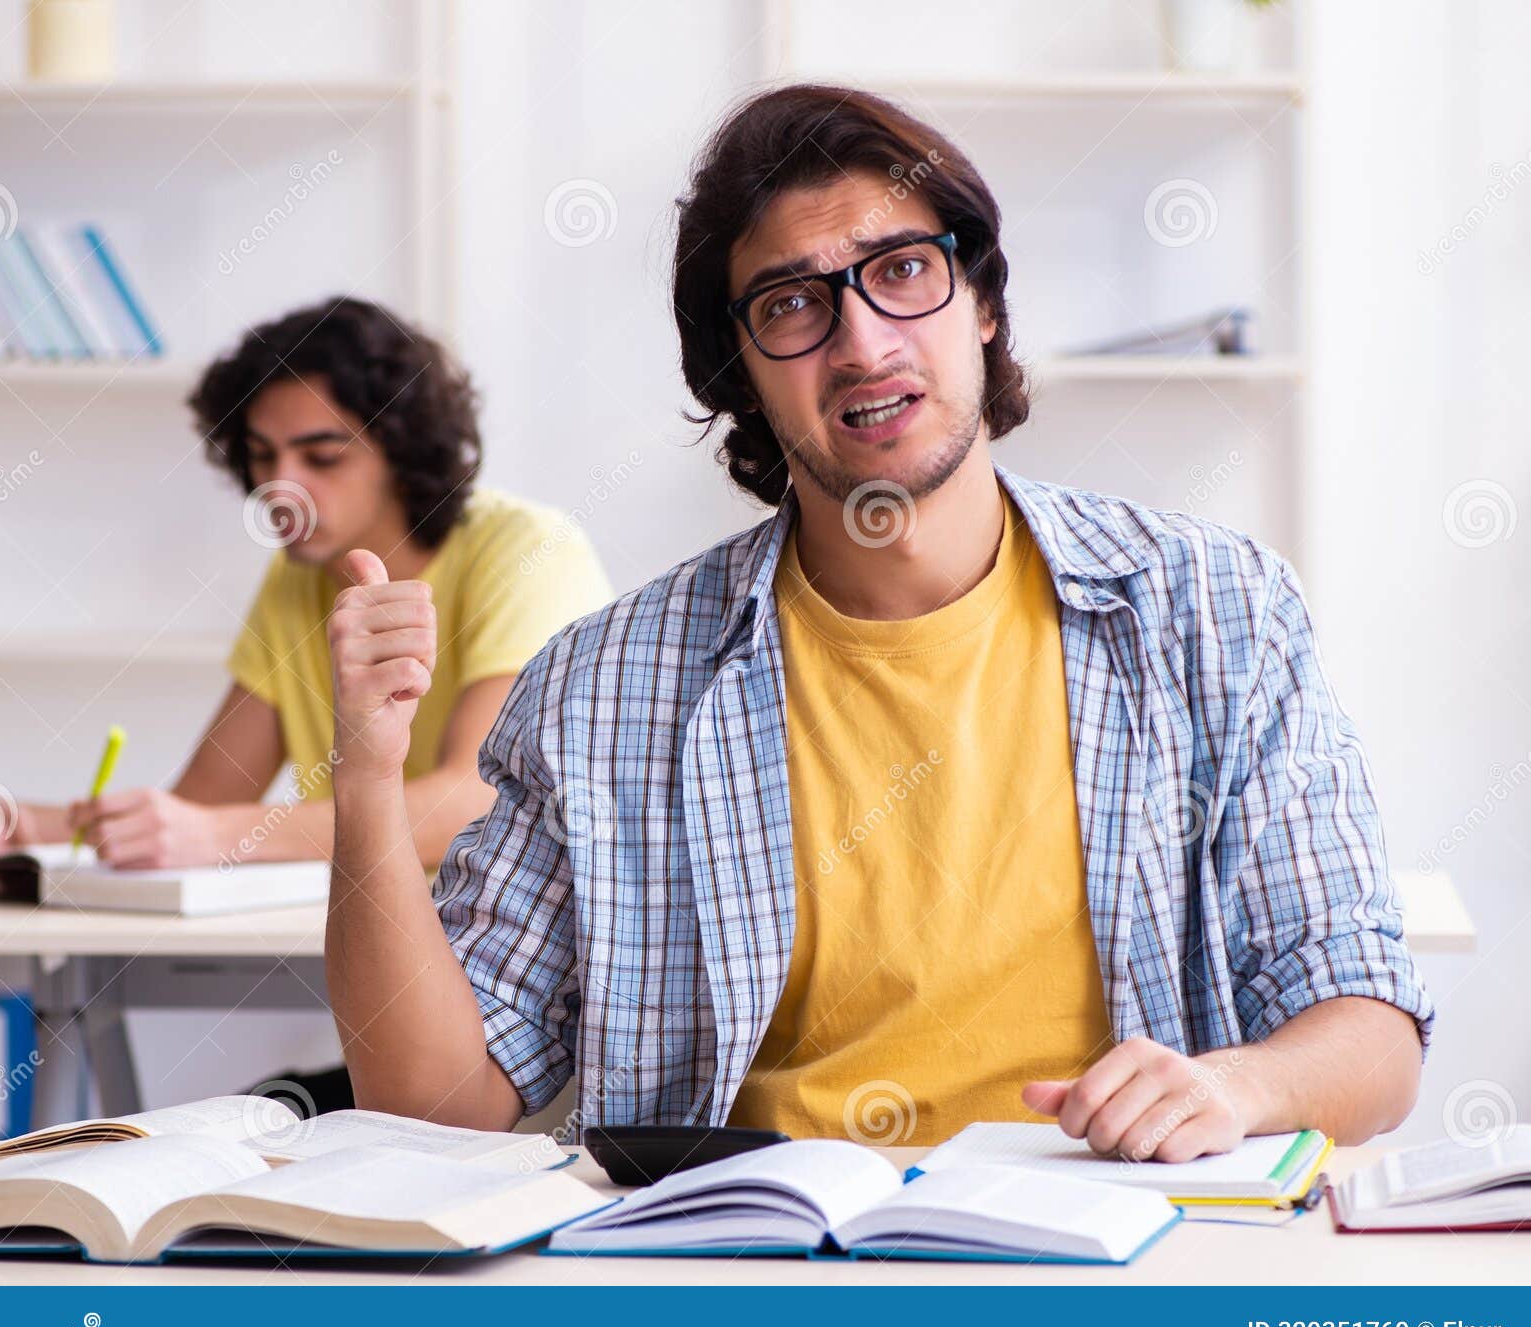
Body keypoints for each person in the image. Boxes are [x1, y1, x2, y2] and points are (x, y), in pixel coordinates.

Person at [325, 87, 1432, 1160]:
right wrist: (368, 782)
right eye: (793, 304)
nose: (860, 342)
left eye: (902, 270)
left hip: (1121, 1259)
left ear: (984, 304)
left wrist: (1238, 1085)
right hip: (752, 1274)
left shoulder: (1212, 609)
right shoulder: (606, 683)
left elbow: (1371, 1035)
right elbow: (434, 1106)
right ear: (744, 373)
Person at [0, 297, 611, 876]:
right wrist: (43, 827)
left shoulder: (527, 550)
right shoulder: (299, 578)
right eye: (262, 454)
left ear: (400, 449)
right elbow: (203, 806)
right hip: (378, 932)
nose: (279, 488)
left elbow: (477, 803)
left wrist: (216, 837)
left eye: (322, 457)